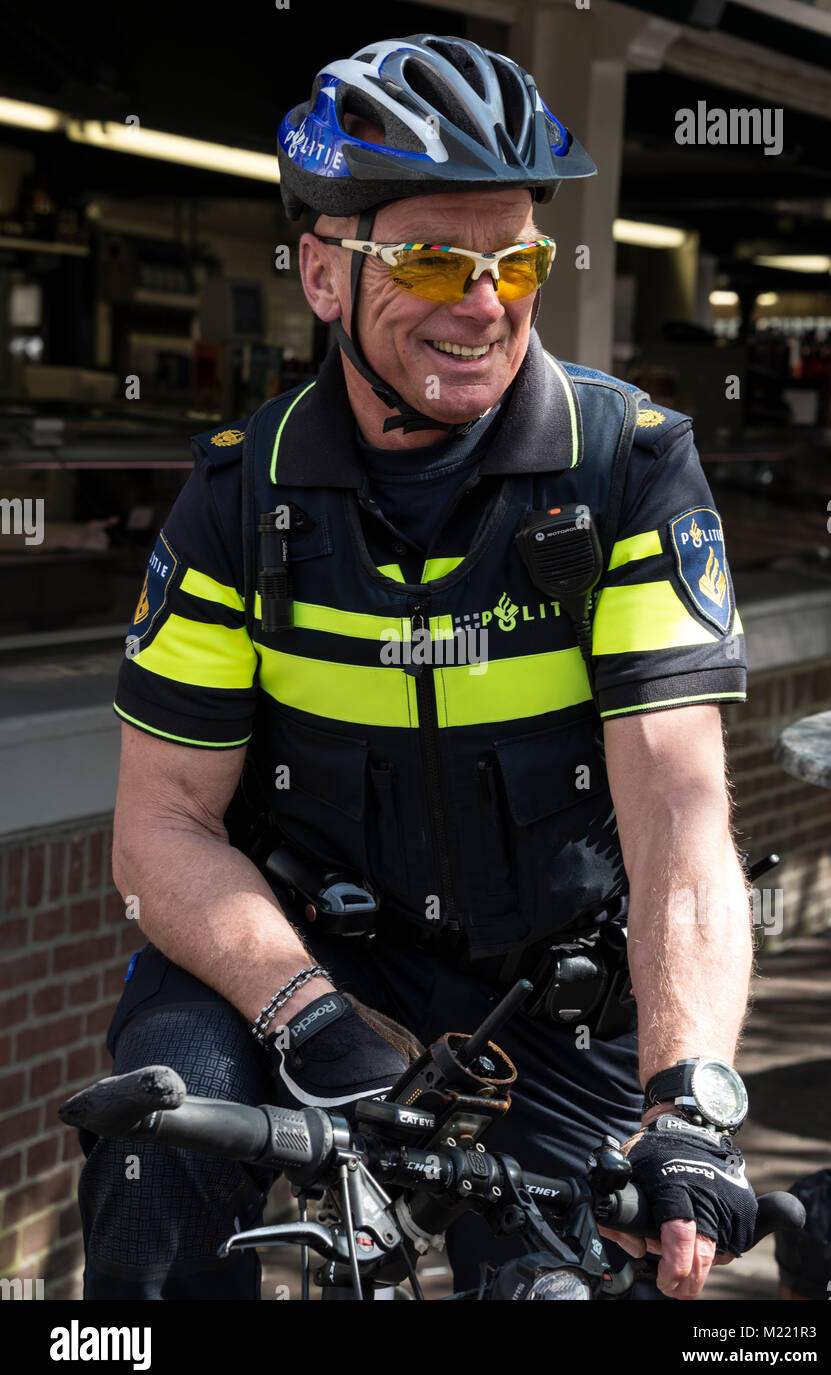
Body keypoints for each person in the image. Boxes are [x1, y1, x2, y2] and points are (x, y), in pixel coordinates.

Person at [77, 34, 756, 1301]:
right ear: (326, 274)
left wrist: (691, 1104)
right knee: (149, 1158)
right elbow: (161, 827)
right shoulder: (241, 496)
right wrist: (308, 1015)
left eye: (517, 262)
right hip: (289, 958)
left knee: (566, 1280)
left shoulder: (629, 467)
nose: (484, 303)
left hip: (546, 988)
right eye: (437, 261)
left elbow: (678, 809)